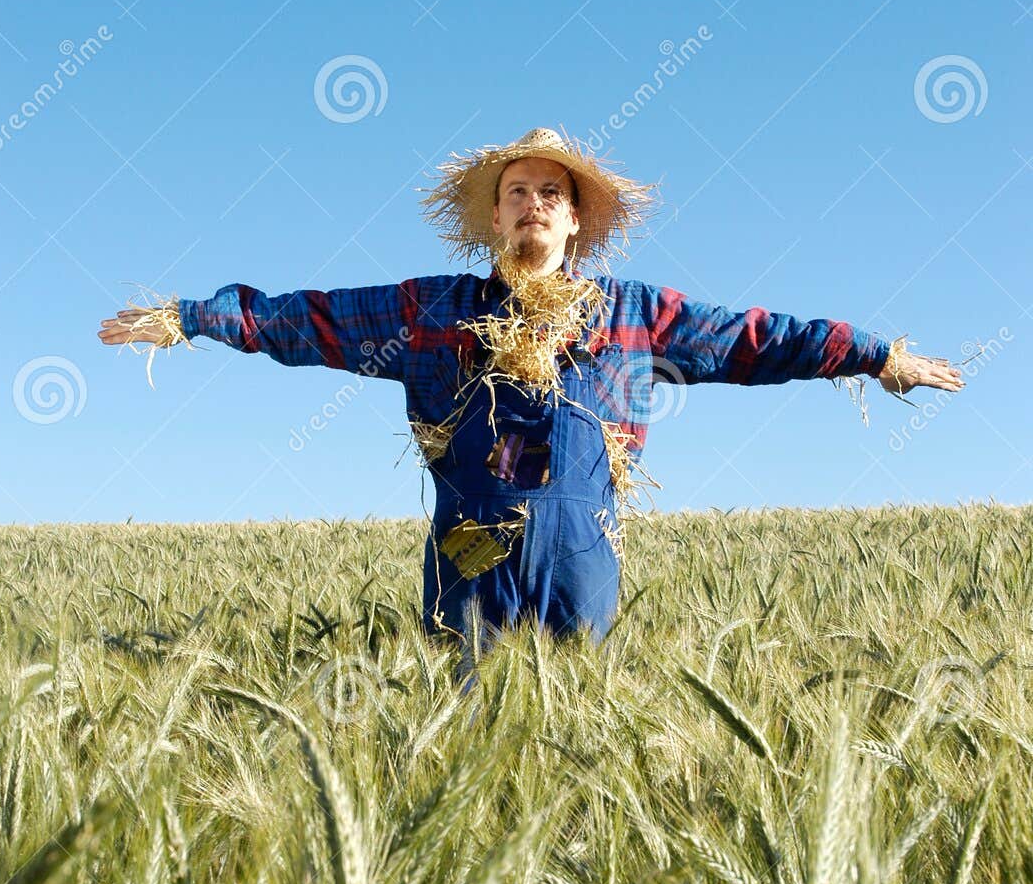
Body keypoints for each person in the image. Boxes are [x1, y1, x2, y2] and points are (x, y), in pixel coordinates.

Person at [98, 126, 964, 654]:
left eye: (553, 193)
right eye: (520, 193)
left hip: (582, 557)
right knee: (464, 731)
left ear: (576, 217)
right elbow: (309, 319)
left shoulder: (635, 317)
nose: (535, 205)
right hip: (470, 552)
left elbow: (755, 337)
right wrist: (192, 316)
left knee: (574, 736)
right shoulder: (436, 311)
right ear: (499, 215)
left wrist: (875, 354)